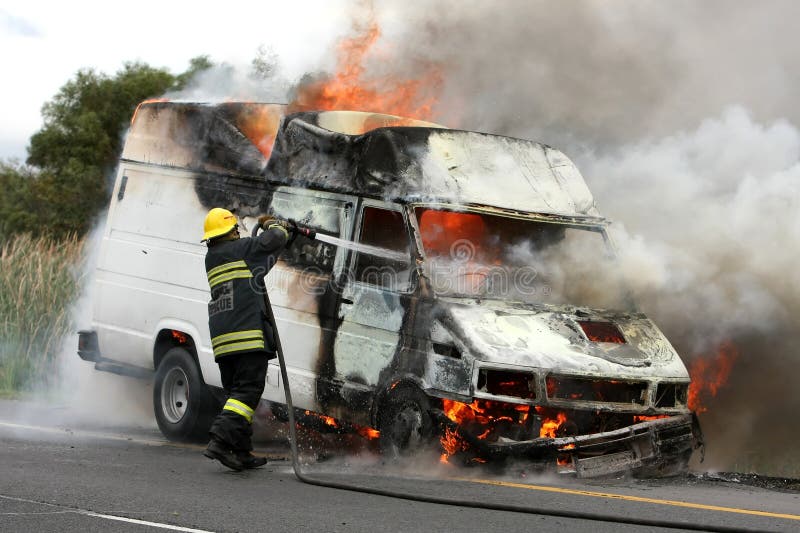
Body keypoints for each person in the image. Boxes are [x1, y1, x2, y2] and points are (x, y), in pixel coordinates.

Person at [200, 207, 292, 471]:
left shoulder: (212, 257)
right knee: (247, 391)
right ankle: (220, 440)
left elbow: (261, 262)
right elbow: (276, 238)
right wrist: (276, 223)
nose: (238, 233)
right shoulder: (241, 249)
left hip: (223, 339)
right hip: (246, 336)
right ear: (230, 232)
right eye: (235, 230)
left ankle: (239, 451)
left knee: (236, 394)